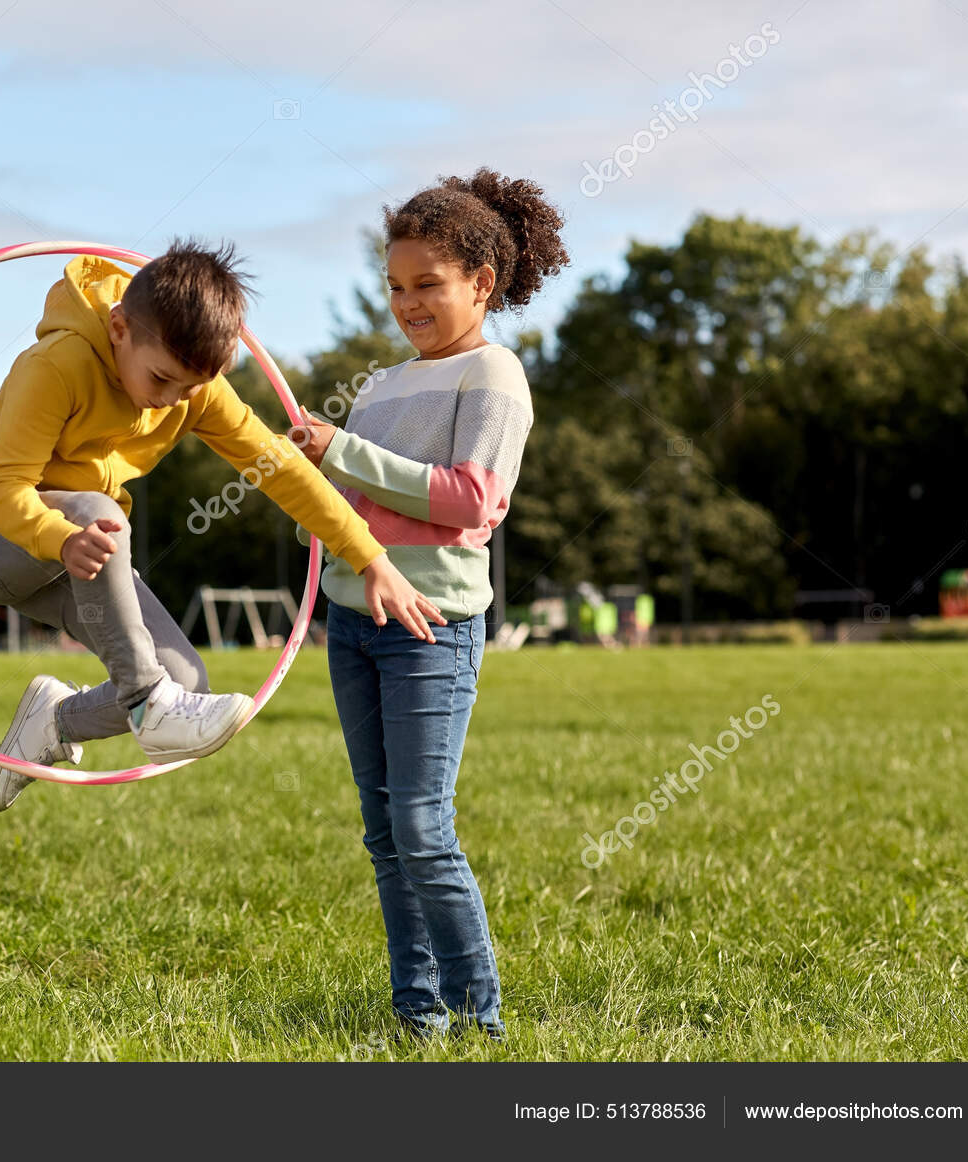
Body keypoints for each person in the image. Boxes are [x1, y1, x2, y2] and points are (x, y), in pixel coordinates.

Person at [0, 240, 444, 811]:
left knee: (185, 680)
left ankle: (53, 722)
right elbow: (2, 489)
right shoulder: (56, 366)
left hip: (79, 552)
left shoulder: (193, 388)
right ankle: (146, 701)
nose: (170, 402)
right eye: (161, 380)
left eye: (189, 388)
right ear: (118, 328)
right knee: (104, 520)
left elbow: (278, 468)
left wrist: (370, 556)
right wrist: (62, 538)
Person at [293, 170, 570, 1039]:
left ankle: (478, 1017)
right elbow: (357, 504)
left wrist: (345, 454)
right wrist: (304, 466)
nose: (408, 303)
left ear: (482, 284)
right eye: (396, 287)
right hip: (353, 622)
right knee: (384, 832)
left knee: (421, 823)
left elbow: (469, 501)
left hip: (431, 627)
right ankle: (418, 1017)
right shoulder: (379, 387)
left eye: (428, 285)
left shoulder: (494, 375)